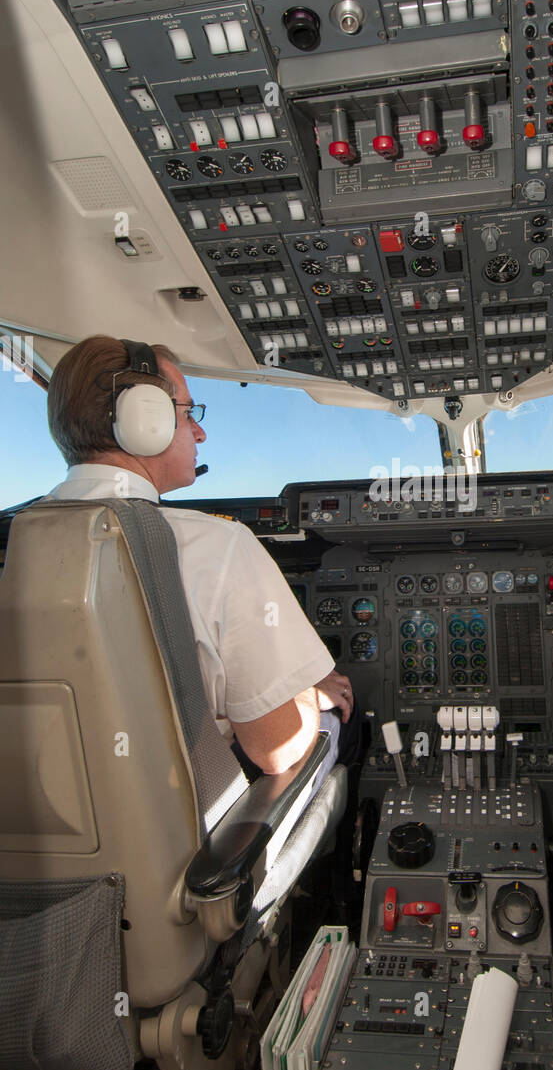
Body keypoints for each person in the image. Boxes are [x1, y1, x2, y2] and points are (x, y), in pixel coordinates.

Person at [45, 334, 357, 783]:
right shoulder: (216, 545)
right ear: (142, 419)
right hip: (186, 826)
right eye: (188, 413)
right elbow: (276, 749)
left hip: (50, 814)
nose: (200, 431)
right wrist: (306, 691)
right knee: (342, 717)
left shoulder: (20, 542)